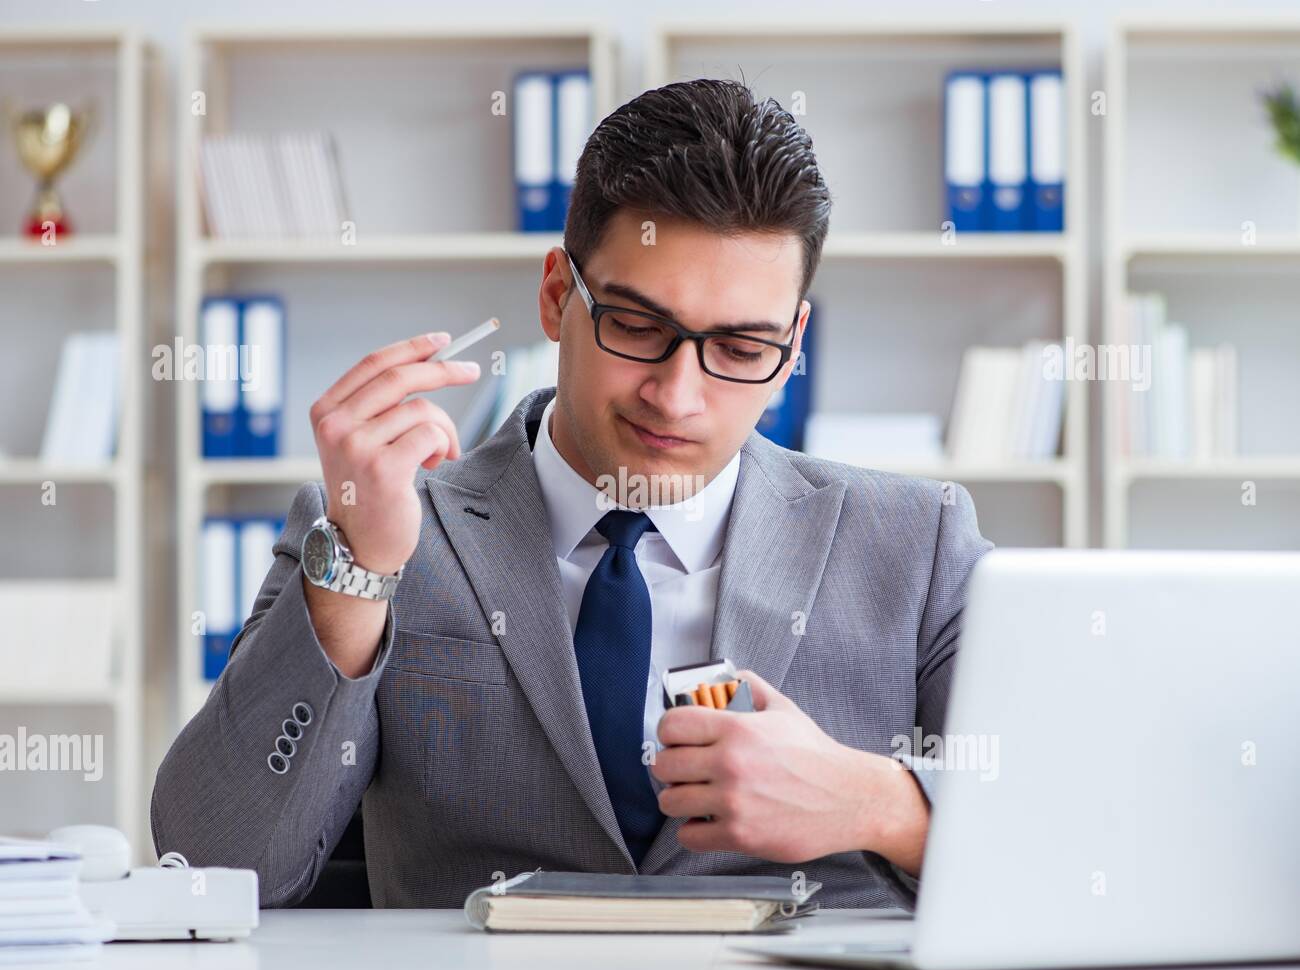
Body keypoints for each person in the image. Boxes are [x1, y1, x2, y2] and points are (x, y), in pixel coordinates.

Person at [152, 78, 993, 909]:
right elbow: (214, 859)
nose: (677, 395)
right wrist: (359, 574)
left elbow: (1090, 841)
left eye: (739, 347)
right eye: (637, 326)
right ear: (559, 296)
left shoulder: (916, 546)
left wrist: (878, 805)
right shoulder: (382, 531)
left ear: (793, 339)